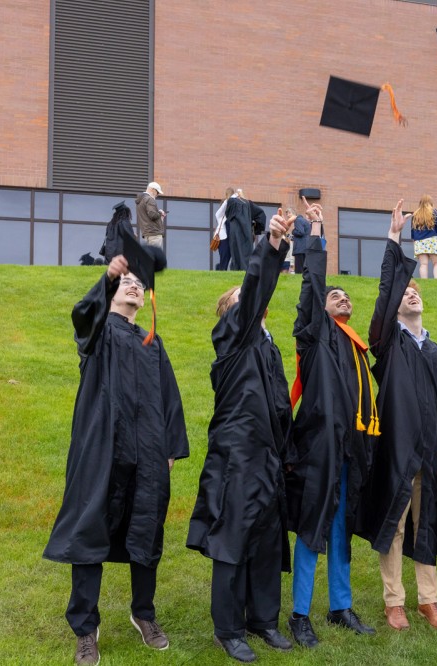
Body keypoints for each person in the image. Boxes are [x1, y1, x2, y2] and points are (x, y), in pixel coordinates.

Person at [44, 250, 188, 666]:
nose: (135, 286)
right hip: (102, 453)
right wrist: (108, 277)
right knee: (90, 535)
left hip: (146, 455)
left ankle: (144, 613)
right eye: (128, 283)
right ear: (112, 292)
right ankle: (86, 629)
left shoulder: (151, 342)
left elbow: (169, 401)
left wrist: (170, 452)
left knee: (146, 531)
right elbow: (83, 315)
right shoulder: (98, 332)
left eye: (140, 286)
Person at [187, 212, 295, 663]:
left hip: (268, 455)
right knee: (233, 539)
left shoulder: (267, 344)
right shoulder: (231, 337)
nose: (248, 301)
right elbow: (252, 291)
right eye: (239, 299)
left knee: (267, 538)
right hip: (237, 454)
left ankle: (263, 620)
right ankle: (228, 629)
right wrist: (269, 245)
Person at [360, 201, 437, 632]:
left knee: (426, 525)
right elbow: (385, 296)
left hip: (433, 452)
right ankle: (394, 600)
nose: (412, 294)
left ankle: (429, 600)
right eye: (406, 293)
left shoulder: (433, 350)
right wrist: (393, 241)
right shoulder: (387, 344)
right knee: (396, 525)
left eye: (417, 292)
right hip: (399, 449)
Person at [284, 202, 376, 648]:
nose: (343, 298)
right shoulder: (314, 336)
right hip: (317, 446)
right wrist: (317, 235)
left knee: (342, 530)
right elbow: (312, 287)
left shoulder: (358, 349)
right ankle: (299, 614)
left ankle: (341, 606)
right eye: (334, 296)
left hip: (349, 449)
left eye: (347, 296)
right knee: (312, 527)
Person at [225, 190, 268, 271]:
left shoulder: (231, 202)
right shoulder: (249, 204)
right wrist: (256, 229)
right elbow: (261, 215)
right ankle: (246, 270)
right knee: (245, 253)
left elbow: (227, 215)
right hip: (246, 232)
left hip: (235, 232)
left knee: (235, 251)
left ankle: (235, 269)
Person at [409, 195, 437, 279]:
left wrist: (415, 244)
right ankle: (436, 281)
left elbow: (412, 232)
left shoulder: (415, 215)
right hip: (432, 240)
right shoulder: (434, 212)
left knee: (423, 264)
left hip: (419, 242)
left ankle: (424, 281)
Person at [135, 181, 166, 248]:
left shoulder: (140, 201)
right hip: (154, 234)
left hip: (147, 233)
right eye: (157, 192)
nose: (157, 195)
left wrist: (160, 218)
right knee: (154, 257)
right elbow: (153, 215)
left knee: (149, 257)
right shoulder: (150, 199)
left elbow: (148, 218)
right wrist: (160, 212)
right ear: (153, 190)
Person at [213, 187, 235, 270]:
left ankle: (223, 270)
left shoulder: (229, 215)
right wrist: (230, 197)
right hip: (223, 239)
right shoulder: (219, 215)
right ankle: (222, 270)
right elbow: (226, 203)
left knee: (227, 257)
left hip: (228, 239)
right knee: (224, 258)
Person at [289, 204, 313, 276]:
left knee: (299, 271)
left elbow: (300, 232)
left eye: (289, 215)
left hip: (300, 249)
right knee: (305, 270)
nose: (289, 218)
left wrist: (293, 231)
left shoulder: (298, 220)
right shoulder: (304, 221)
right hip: (305, 248)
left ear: (293, 214)